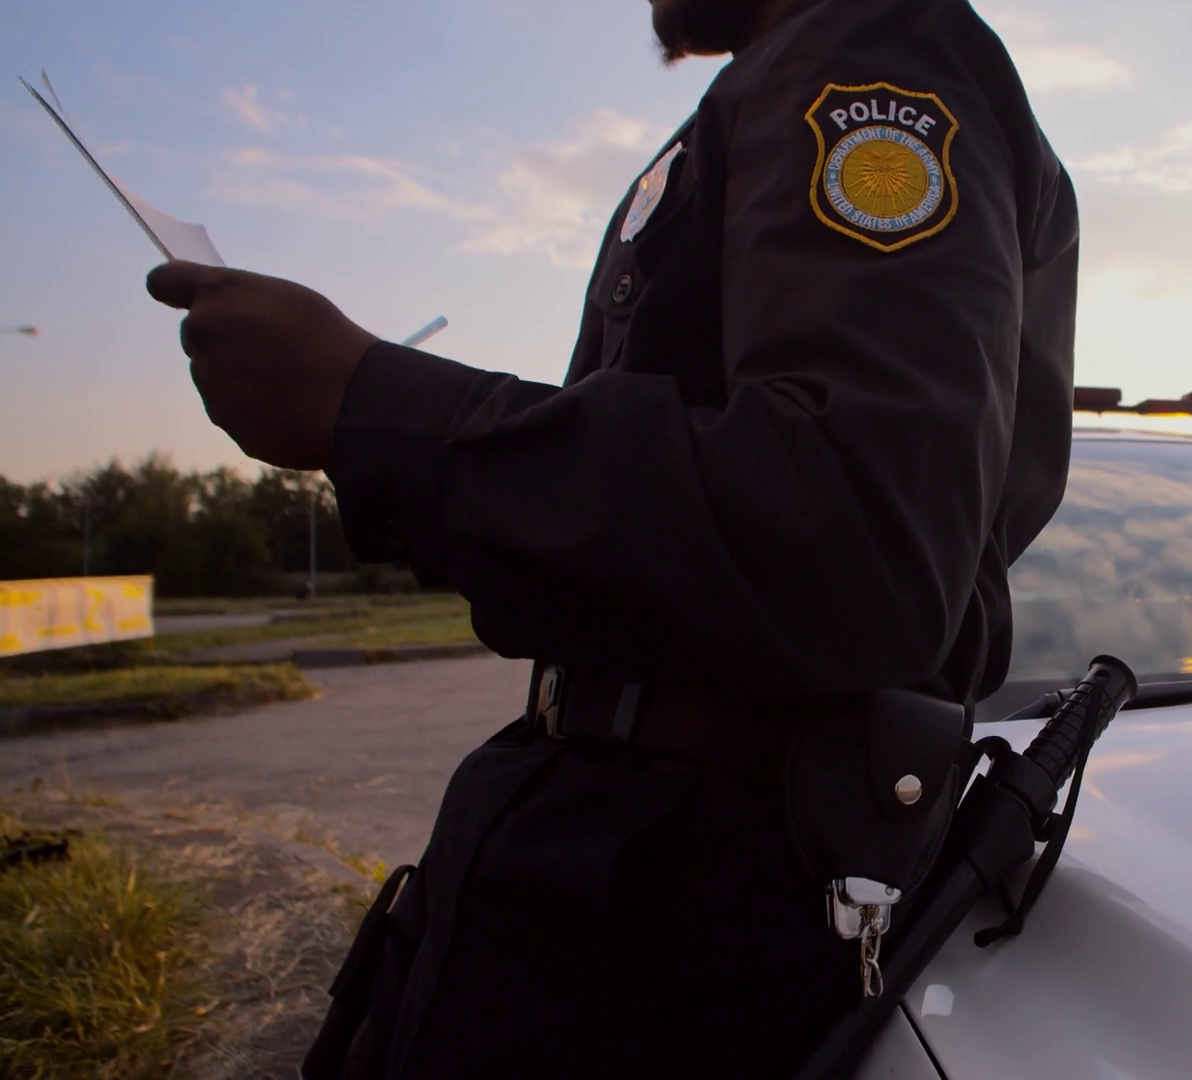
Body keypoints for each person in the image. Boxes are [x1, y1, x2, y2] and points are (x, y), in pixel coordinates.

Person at [145, 0, 1078, 1075]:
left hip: (668, 918)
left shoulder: (876, 52)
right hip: (620, 870)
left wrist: (367, 402)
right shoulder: (787, 77)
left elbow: (853, 535)